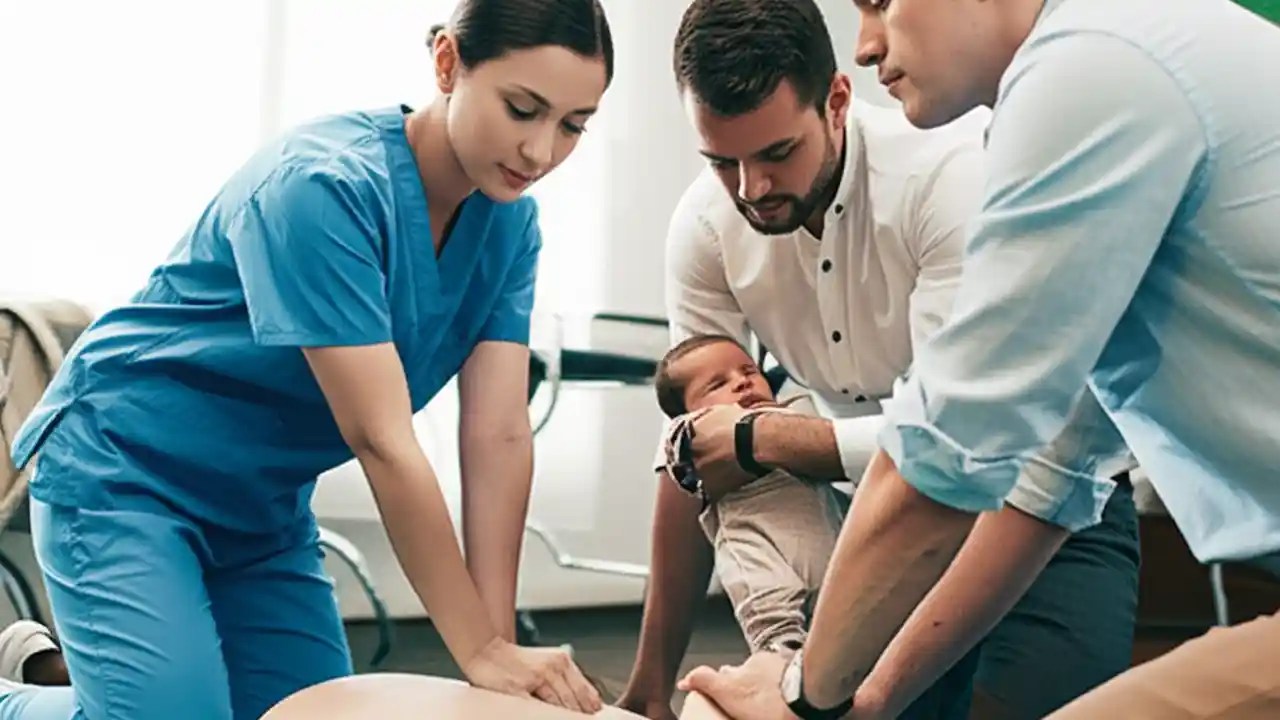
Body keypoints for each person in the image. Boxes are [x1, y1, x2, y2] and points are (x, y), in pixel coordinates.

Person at [0, 1, 614, 718]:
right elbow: (381, 439)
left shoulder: (511, 223)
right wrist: (475, 648)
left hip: (260, 509)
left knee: (320, 712)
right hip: (126, 474)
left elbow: (499, 434)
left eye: (572, 125)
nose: (541, 152)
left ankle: (57, 670)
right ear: (447, 63)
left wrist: (498, 650)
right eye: (522, 109)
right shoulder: (322, 187)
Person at [677, 0, 1280, 719]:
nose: (867, 46)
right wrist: (863, 702)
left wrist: (802, 696)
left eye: (881, 2)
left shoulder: (1092, 68)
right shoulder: (1103, 61)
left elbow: (948, 453)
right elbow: (1050, 471)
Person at [617, 1, 1141, 719]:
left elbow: (960, 446)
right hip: (872, 525)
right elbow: (695, 452)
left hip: (1045, 502)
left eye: (776, 154)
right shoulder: (705, 227)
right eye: (721, 162)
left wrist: (767, 437)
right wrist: (649, 682)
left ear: (835, 101)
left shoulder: (946, 177)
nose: (752, 190)